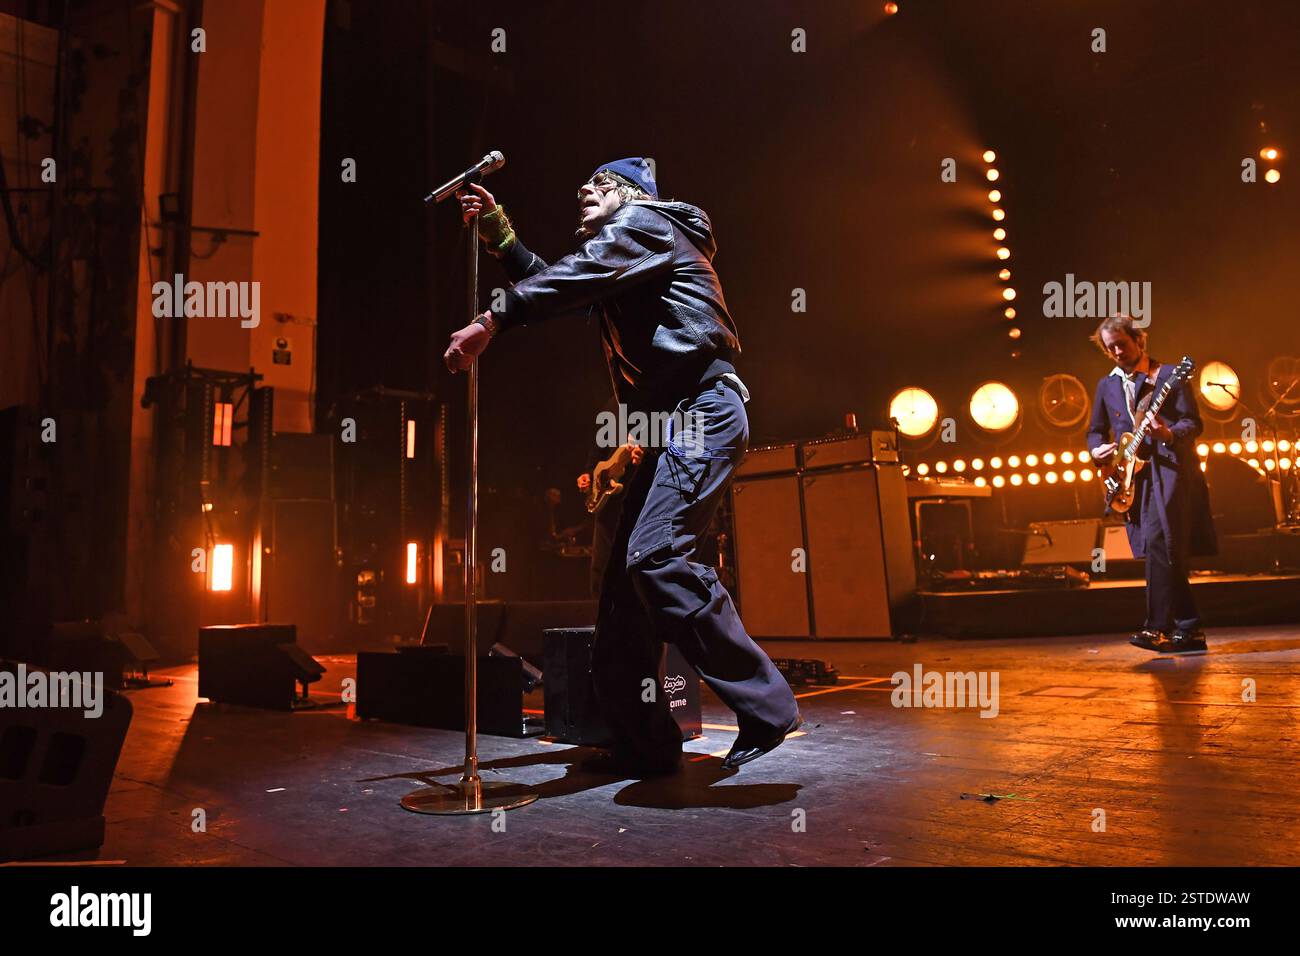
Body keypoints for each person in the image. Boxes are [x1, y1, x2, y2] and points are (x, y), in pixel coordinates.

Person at [445, 158, 801, 774]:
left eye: (598, 185)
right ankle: (645, 744)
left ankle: (768, 707)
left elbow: (574, 277)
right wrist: (502, 236)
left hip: (702, 412)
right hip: (666, 429)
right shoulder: (626, 254)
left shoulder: (648, 224)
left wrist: (490, 320)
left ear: (630, 195)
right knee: (619, 602)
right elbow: (564, 280)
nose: (582, 190)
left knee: (657, 555)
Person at [1085, 315, 1217, 653]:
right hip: (1133, 476)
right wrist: (1097, 449)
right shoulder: (1107, 385)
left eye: (1122, 344)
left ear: (1139, 341)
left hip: (1169, 470)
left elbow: (1194, 422)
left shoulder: (1170, 376)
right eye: (1110, 347)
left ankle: (1158, 627)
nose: (1117, 351)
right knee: (1159, 548)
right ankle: (1187, 629)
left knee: (1162, 543)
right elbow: (1095, 430)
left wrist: (1169, 434)